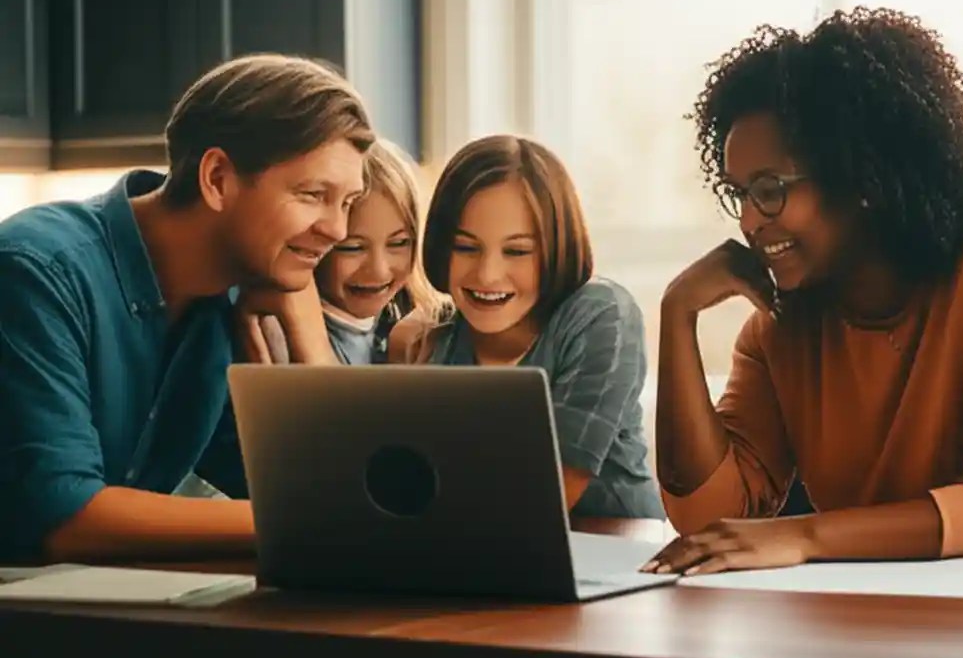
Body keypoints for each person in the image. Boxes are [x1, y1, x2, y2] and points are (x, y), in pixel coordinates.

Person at [643, 8, 963, 576]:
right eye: (740, 194)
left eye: (770, 191)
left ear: (861, 179)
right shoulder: (781, 327)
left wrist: (805, 535)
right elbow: (711, 515)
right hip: (904, 619)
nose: (750, 222)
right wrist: (677, 313)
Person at [0, 54, 374, 563]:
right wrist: (313, 519)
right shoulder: (38, 269)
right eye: (313, 195)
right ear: (218, 178)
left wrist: (309, 335)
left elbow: (304, 483)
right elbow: (64, 517)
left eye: (348, 202)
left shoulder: (232, 296)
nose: (337, 229)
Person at [389, 135, 664, 519]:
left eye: (517, 251)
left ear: (557, 247)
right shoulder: (427, 339)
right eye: (466, 247)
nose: (487, 274)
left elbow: (550, 495)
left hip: (616, 553)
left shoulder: (601, 315)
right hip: (476, 552)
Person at [250, 138, 440, 365]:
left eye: (398, 244)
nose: (379, 270)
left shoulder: (413, 330)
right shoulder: (278, 334)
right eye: (353, 248)